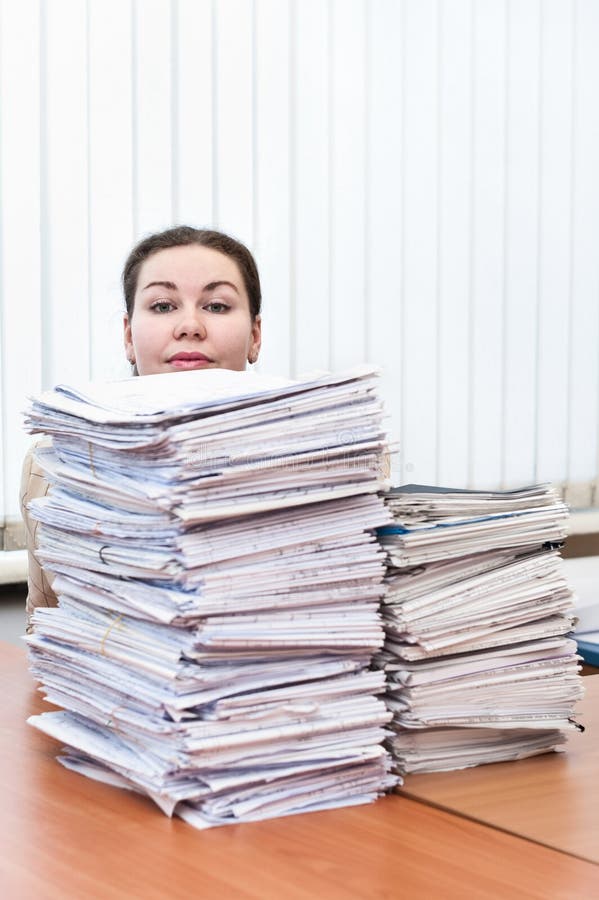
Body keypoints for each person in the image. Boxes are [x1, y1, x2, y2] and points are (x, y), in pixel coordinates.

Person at [21, 226, 262, 623]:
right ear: (129, 336)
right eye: (164, 305)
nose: (190, 326)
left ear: (255, 335)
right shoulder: (53, 464)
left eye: (217, 306)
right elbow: (46, 625)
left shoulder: (340, 456)